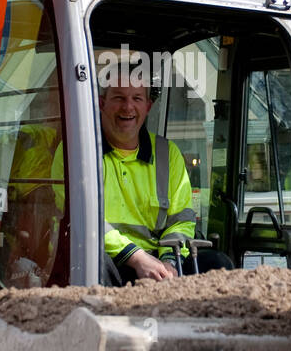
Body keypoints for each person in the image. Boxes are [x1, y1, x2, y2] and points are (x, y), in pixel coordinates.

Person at [98, 78, 232, 282]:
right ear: (101, 103)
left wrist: (170, 261)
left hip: (158, 257)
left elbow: (181, 219)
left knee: (218, 264)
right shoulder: (80, 152)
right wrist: (137, 258)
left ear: (148, 106)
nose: (128, 106)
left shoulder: (167, 154)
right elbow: (84, 220)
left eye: (137, 98)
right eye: (118, 97)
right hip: (110, 257)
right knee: (96, 266)